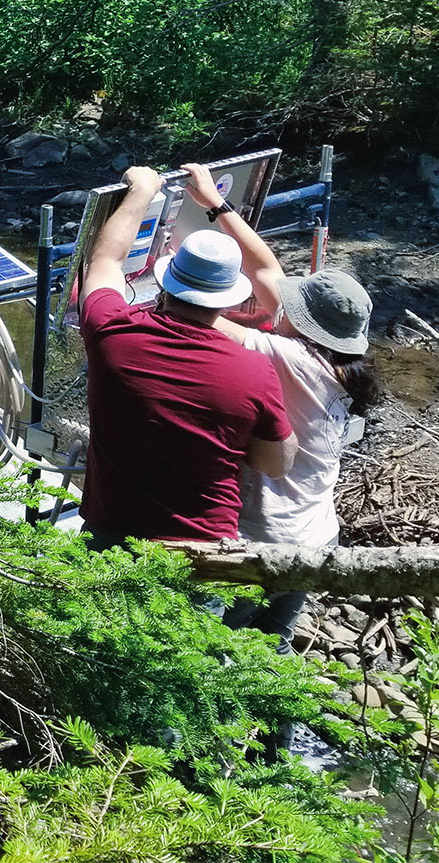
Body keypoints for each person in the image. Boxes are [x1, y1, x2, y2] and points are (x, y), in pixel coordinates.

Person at [179, 162, 379, 644]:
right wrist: (217, 204)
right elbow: (266, 268)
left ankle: (217, 719)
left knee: (219, 647)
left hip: (263, 538)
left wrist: (150, 285)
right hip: (315, 535)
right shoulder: (339, 369)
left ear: (301, 320)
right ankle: (282, 722)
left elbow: (199, 316)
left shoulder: (286, 356)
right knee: (273, 648)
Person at [78, 166, 296, 549]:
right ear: (229, 299)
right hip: (202, 551)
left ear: (166, 283)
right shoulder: (255, 369)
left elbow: (105, 263)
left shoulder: (112, 333)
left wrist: (142, 191)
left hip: (110, 535)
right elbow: (275, 464)